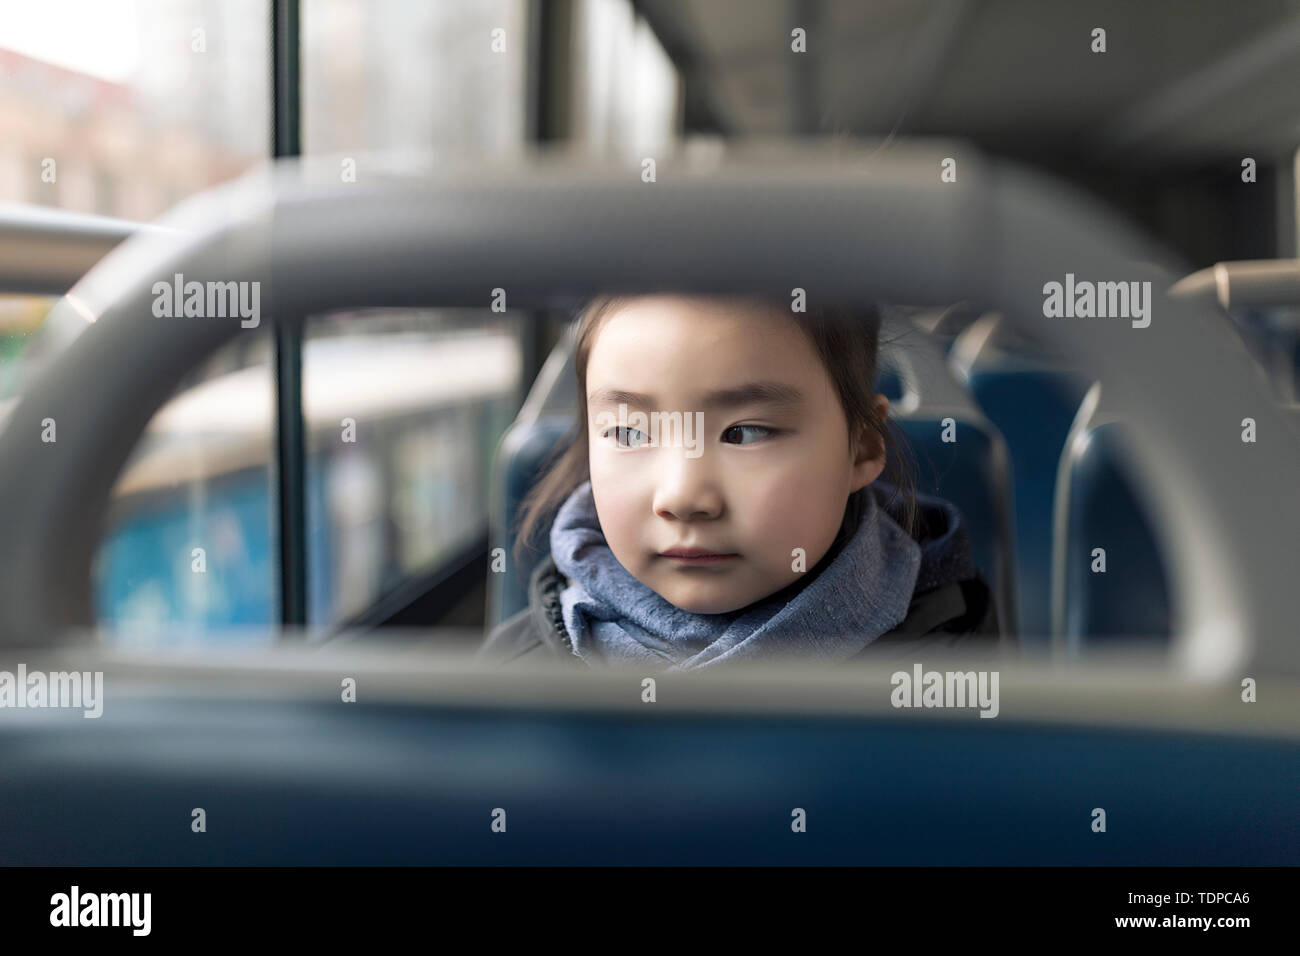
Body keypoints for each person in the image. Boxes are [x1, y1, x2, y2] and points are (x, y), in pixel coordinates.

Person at [478, 294, 999, 671]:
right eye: (628, 432)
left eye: (744, 433)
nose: (682, 498)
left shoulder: (948, 679)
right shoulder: (515, 674)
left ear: (860, 447)